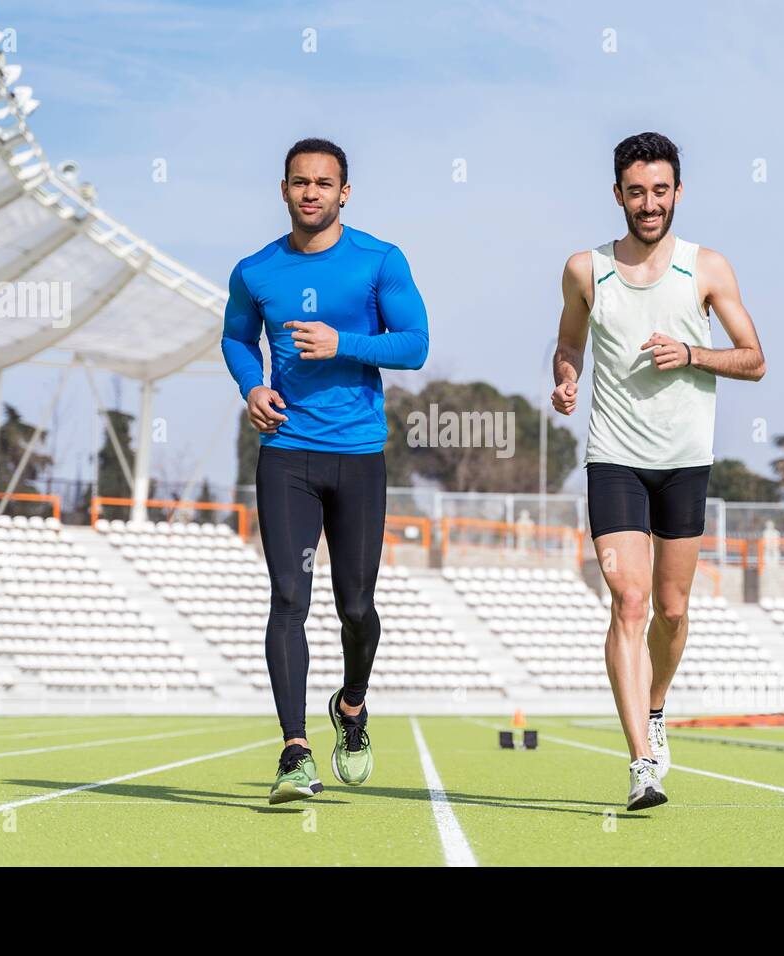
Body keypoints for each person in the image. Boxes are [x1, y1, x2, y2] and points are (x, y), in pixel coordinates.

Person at [551, 132, 766, 810]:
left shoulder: (707, 269)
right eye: (636, 192)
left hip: (684, 464)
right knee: (630, 603)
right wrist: (565, 380)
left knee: (672, 611)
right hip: (613, 457)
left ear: (678, 193)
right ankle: (642, 759)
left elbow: (754, 358)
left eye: (660, 191)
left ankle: (658, 702)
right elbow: (568, 341)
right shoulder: (586, 270)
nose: (649, 203)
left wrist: (693, 354)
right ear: (618, 194)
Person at [221, 138, 429, 804]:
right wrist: (252, 385)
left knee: (357, 607)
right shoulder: (255, 271)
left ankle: (353, 706)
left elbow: (415, 344)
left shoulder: (379, 261)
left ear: (345, 193)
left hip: (360, 456)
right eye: (300, 182)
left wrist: (345, 344)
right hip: (286, 454)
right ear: (284, 190)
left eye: (325, 183)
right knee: (288, 597)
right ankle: (294, 751)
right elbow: (234, 336)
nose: (312, 193)